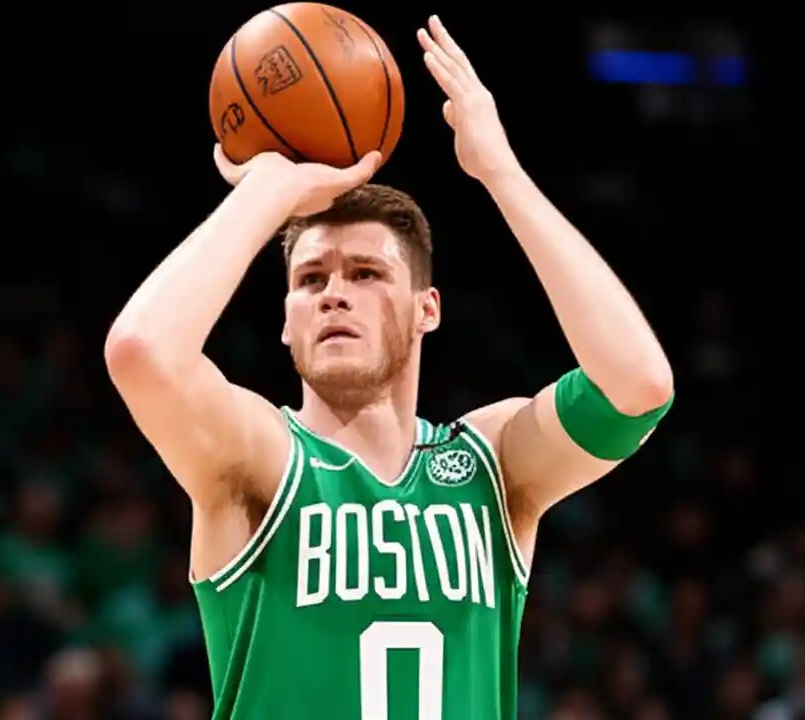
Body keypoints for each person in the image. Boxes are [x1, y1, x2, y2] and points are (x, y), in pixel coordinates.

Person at [104, 15, 674, 720]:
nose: (334, 291)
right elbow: (142, 353)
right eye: (310, 280)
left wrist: (503, 175)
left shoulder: (490, 463)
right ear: (285, 322)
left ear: (427, 309)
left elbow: (638, 388)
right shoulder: (257, 458)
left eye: (367, 273)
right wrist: (267, 189)